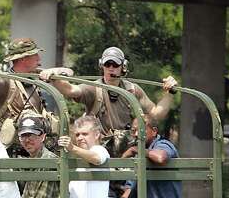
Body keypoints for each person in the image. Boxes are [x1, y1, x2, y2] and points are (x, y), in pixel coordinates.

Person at [40, 46, 178, 157]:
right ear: (102, 65)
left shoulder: (132, 90)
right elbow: (71, 90)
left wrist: (170, 93)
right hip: (99, 153)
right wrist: (54, 77)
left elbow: (156, 114)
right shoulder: (94, 88)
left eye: (115, 64)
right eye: (107, 64)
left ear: (123, 67)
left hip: (128, 153)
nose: (111, 68)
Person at [0, 38, 58, 151]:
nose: (39, 58)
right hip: (12, 151)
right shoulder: (7, 82)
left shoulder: (35, 76)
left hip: (37, 148)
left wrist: (53, 72)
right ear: (24, 59)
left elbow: (68, 72)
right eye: (35, 55)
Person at [106, 114, 182, 198]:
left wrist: (134, 149)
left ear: (154, 131)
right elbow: (127, 193)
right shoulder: (140, 156)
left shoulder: (163, 144)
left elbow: (160, 157)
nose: (136, 135)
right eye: (133, 131)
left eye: (140, 130)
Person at [58, 115, 110, 198]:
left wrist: (72, 148)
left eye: (85, 134)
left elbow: (97, 158)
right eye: (77, 135)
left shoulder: (99, 149)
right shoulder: (83, 158)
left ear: (97, 135)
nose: (80, 138)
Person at [15, 117, 61, 198]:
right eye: (23, 136)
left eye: (32, 135)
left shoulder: (48, 159)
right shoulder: (32, 160)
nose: (27, 140)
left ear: (43, 137)